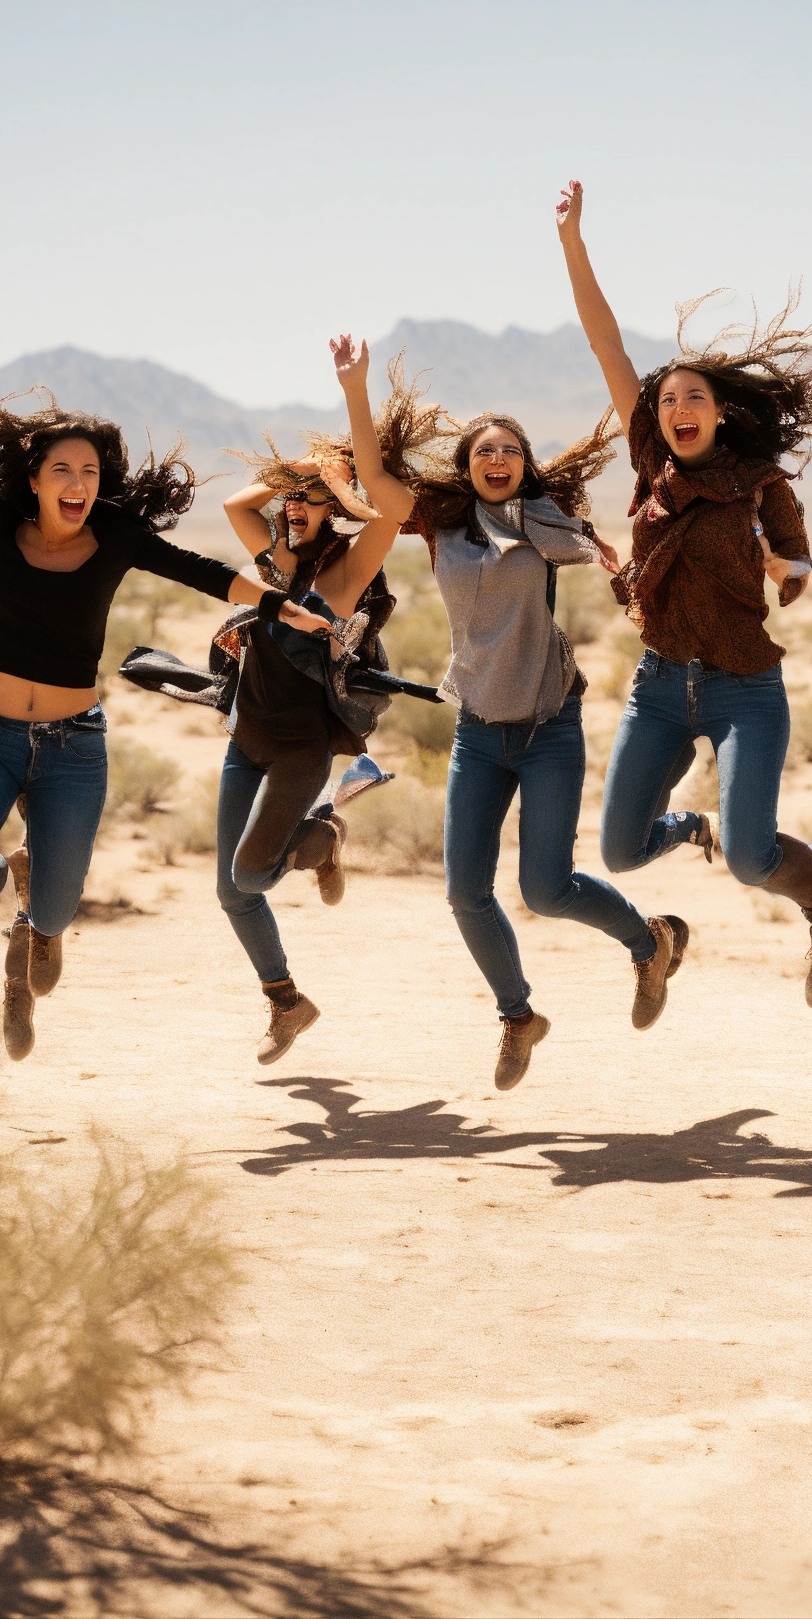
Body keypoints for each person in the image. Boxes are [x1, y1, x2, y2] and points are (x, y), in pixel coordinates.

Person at [0, 327, 332, 1061]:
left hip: (73, 748)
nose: (78, 483)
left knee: (61, 911)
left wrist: (273, 603)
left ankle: (31, 933)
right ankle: (16, 877)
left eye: (90, 471)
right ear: (33, 478)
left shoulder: (117, 535)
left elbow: (195, 568)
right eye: (61, 468)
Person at [340, 337, 687, 1092]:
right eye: (482, 453)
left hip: (548, 727)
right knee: (465, 891)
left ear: (525, 464)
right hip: (477, 731)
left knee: (546, 888)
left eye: (508, 453)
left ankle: (648, 941)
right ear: (466, 467)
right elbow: (373, 478)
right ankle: (517, 1015)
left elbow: (603, 557)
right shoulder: (442, 522)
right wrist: (356, 388)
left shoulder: (547, 520)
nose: (495, 462)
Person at [555, 179, 812, 1007]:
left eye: (694, 397)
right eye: (667, 399)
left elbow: (800, 569)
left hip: (745, 687)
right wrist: (573, 243)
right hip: (660, 686)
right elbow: (606, 347)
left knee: (756, 859)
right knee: (618, 852)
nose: (676, 406)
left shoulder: (760, 484)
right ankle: (692, 829)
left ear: (722, 415)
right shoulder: (652, 464)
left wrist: (777, 569)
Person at [213, 435, 401, 1066]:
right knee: (232, 891)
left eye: (315, 503)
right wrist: (296, 472)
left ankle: (321, 837)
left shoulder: (344, 573)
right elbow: (236, 508)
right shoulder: (270, 561)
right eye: (293, 500)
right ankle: (286, 1001)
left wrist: (343, 484)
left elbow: (390, 518)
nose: (298, 507)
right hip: (247, 743)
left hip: (301, 751)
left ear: (334, 514)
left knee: (248, 874)